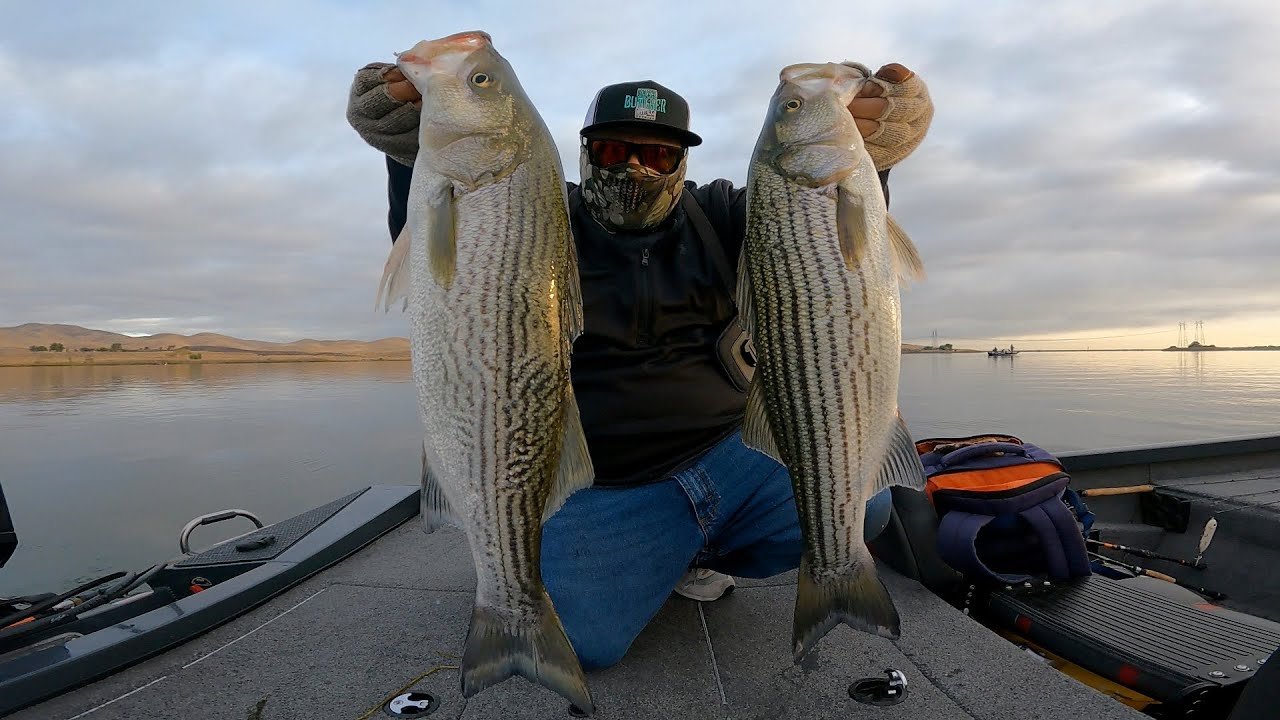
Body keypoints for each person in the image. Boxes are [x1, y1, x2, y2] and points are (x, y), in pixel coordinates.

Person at [346, 55, 933, 669]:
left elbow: (827, 240)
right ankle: (640, 551)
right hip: (606, 484)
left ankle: (693, 554)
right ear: (584, 152)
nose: (634, 166)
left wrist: (880, 148)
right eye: (612, 151)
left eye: (657, 155)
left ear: (682, 162)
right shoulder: (533, 218)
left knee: (866, 503)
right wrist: (406, 145)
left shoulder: (728, 215)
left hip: (730, 457)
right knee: (585, 642)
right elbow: (445, 237)